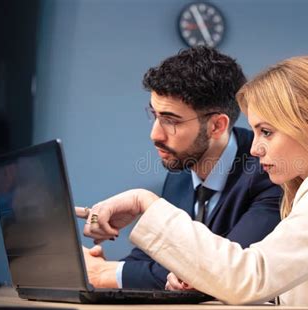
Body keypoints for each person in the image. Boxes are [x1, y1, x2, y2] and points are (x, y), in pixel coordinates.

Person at [82, 56, 308, 310]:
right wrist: (194, 275)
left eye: (267, 132)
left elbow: (248, 276)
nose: (254, 146)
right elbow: (276, 285)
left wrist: (146, 203)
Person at [78, 46, 282, 289]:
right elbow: (158, 254)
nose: (155, 134)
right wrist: (100, 267)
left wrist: (107, 274)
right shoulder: (182, 172)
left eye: (170, 121)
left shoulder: (268, 173)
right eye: (155, 115)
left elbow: (221, 272)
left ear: (216, 126)